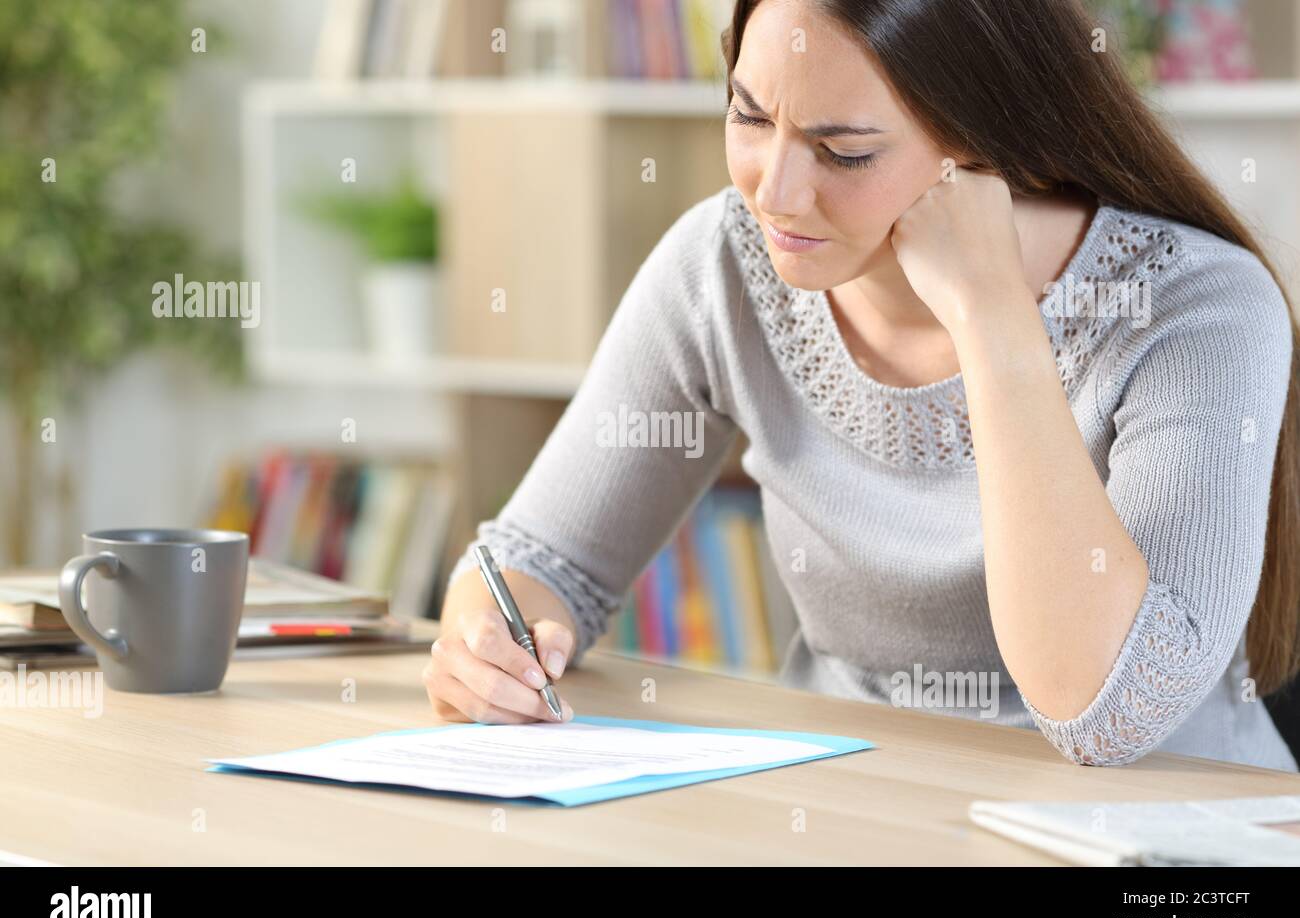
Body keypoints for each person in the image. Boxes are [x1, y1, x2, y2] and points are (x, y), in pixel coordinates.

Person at [424, 0, 1300, 770]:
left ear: (983, 145)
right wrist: (483, 650)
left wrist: (991, 317)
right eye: (748, 115)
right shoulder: (724, 264)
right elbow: (542, 562)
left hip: (1158, 839)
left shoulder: (1196, 308)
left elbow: (1106, 717)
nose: (776, 193)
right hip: (860, 806)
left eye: (842, 153)